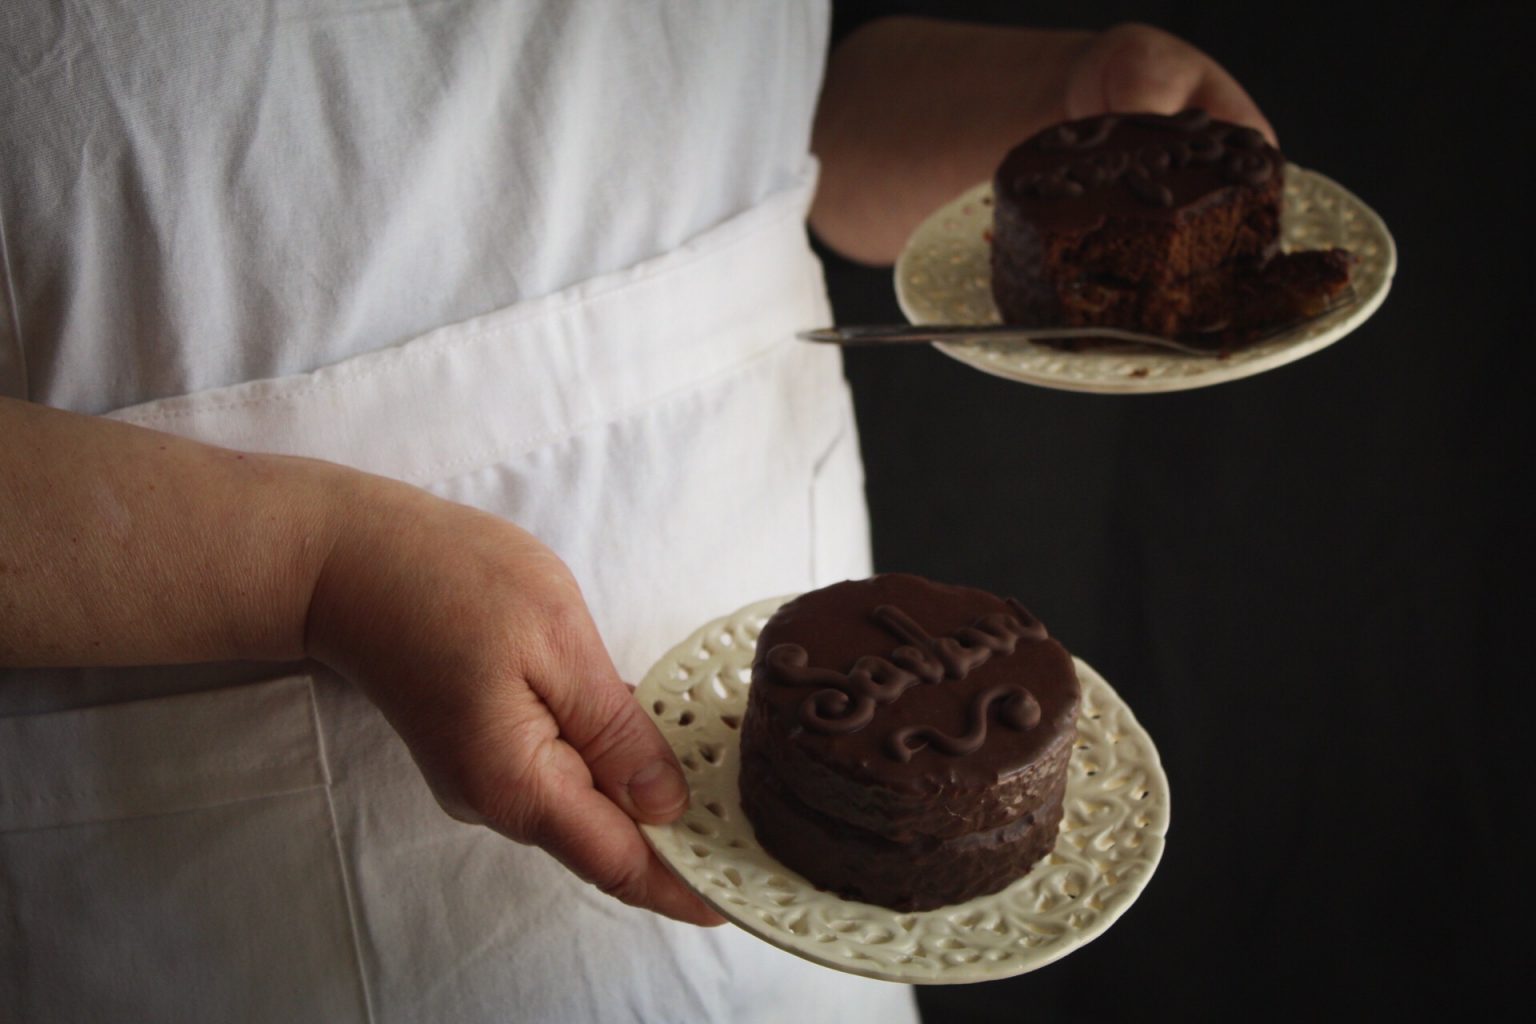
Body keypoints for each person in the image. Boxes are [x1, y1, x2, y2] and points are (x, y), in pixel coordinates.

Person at [0, 5, 1270, 1021]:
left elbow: (782, 115)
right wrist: (318, 570)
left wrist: (1056, 108)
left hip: (789, 633)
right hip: (204, 715)